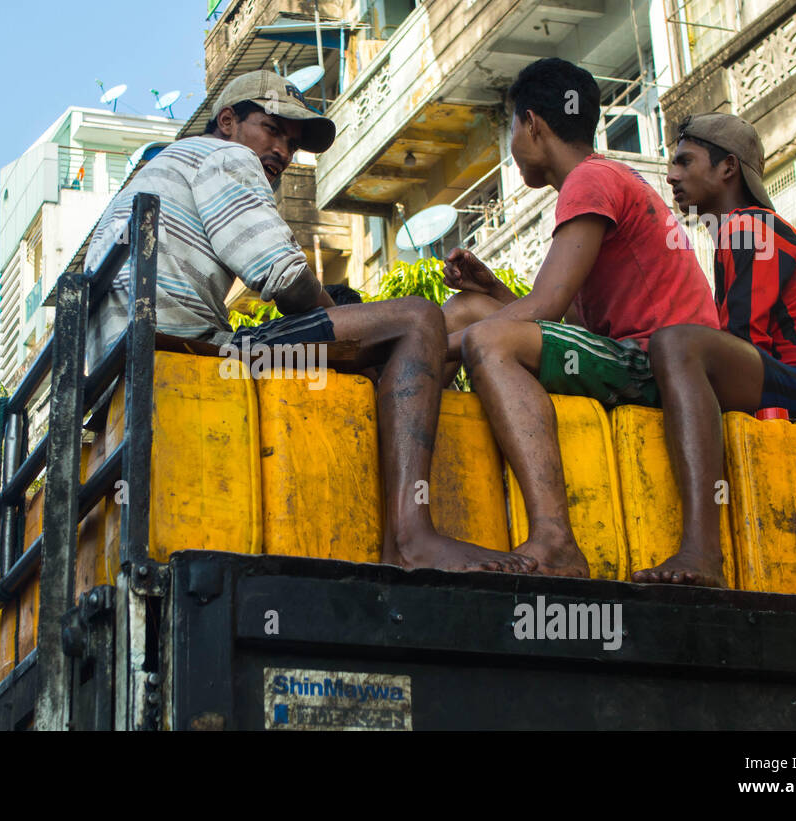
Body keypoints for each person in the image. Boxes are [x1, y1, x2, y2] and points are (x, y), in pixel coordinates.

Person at [83, 70, 534, 574]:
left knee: (372, 344)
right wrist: (348, 321)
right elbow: (285, 279)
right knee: (417, 318)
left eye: (292, 143)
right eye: (272, 129)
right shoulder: (225, 157)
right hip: (184, 345)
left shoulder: (172, 166)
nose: (281, 150)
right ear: (227, 121)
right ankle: (411, 538)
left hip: (134, 356)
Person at [443, 57, 718, 577]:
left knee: (486, 342)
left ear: (532, 125)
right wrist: (493, 289)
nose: (513, 147)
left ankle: (555, 540)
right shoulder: (602, 178)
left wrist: (428, 349)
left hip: (655, 365)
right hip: (630, 356)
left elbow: (543, 310)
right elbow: (565, 321)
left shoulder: (589, 181)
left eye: (512, 131)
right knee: (465, 310)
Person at [632, 114, 796, 587]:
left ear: (727, 168)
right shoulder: (733, 233)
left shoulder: (751, 227)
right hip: (792, 381)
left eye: (684, 161)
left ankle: (701, 552)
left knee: (675, 344)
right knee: (676, 349)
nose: (671, 175)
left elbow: (742, 342)